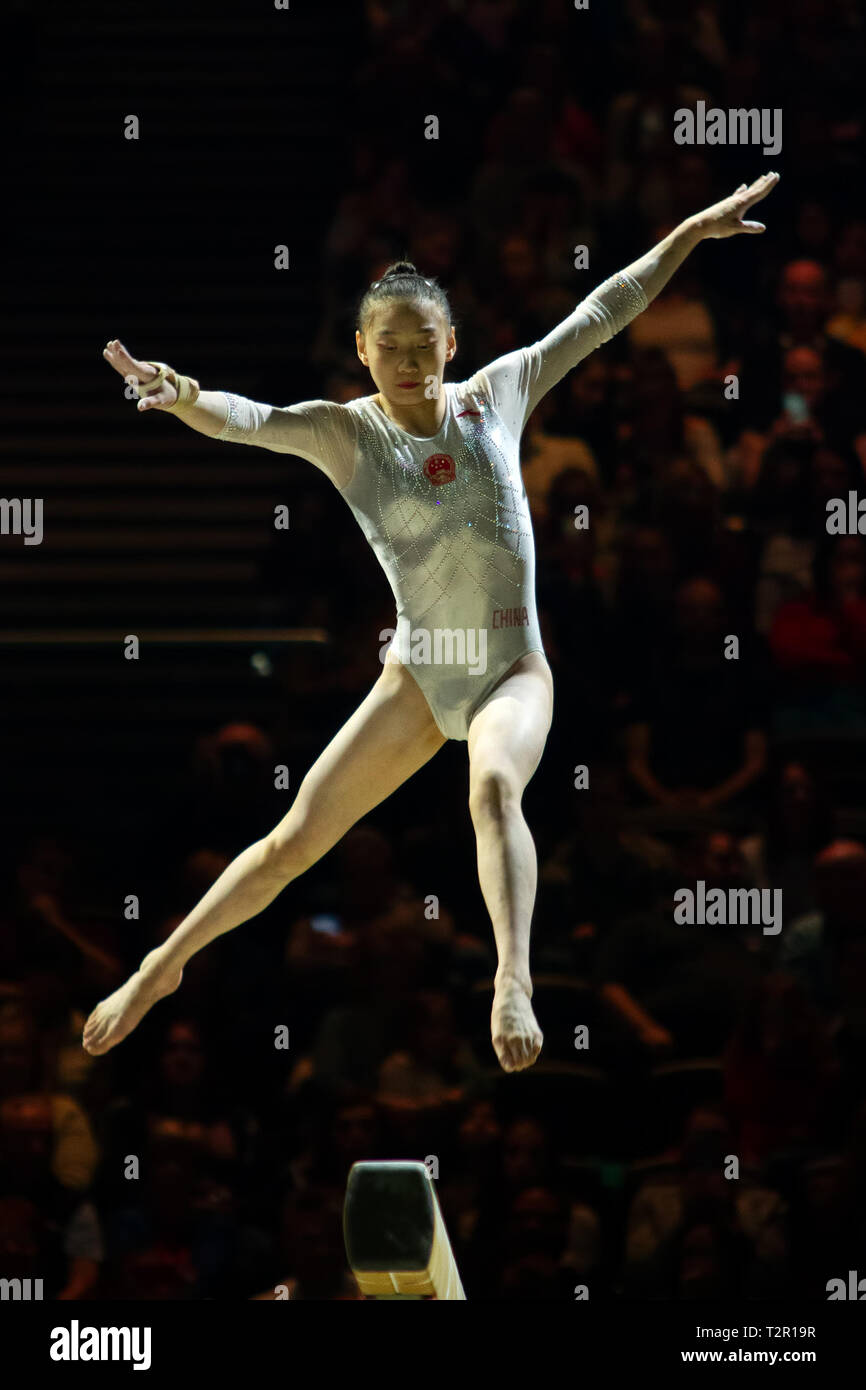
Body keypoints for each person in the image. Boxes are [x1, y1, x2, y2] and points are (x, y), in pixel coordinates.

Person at [83, 174, 781, 1073]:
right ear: (362, 351)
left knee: (491, 788)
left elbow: (604, 311)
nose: (410, 361)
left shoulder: (501, 391)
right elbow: (249, 419)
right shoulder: (344, 432)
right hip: (416, 677)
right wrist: (180, 394)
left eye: (425, 343)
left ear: (451, 341)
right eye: (390, 346)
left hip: (510, 672)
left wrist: (686, 231)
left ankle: (514, 978)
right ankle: (158, 965)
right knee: (293, 842)